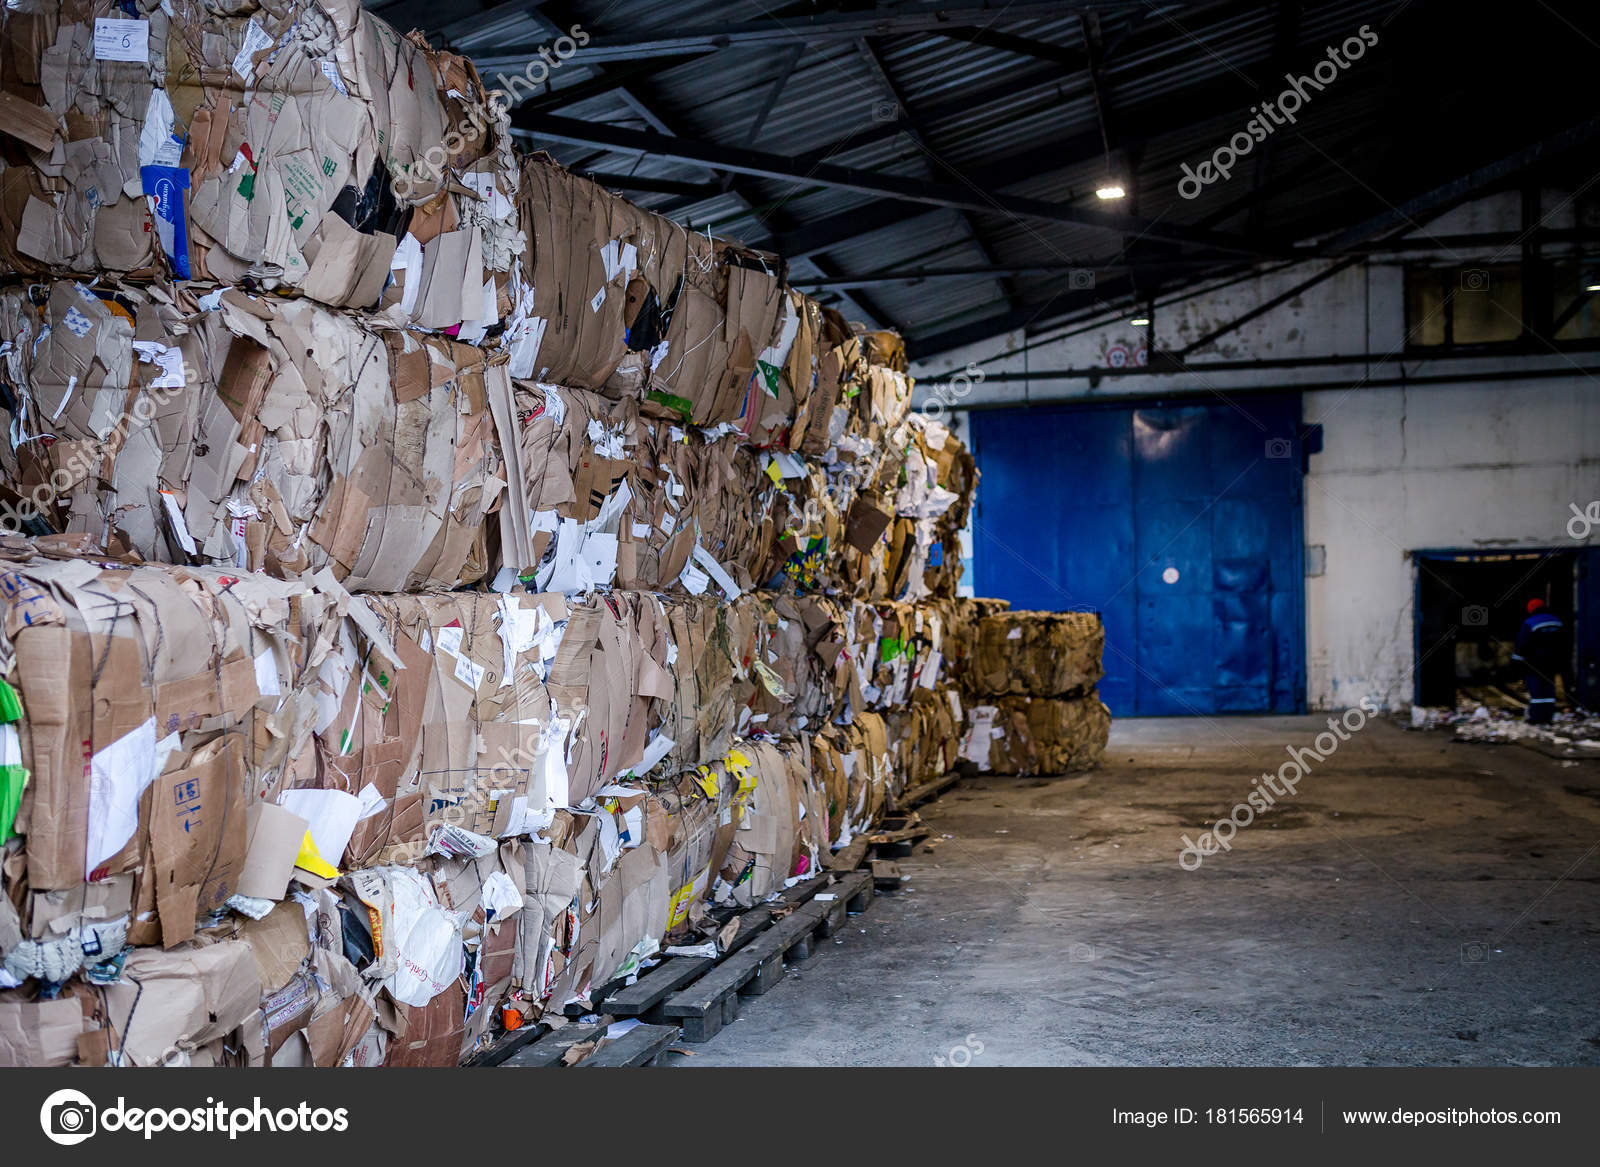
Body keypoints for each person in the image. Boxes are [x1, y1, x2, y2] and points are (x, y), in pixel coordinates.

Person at [1512, 598, 1565, 725]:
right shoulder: (1557, 621)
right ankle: (1548, 717)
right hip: (1552, 662)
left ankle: (1537, 718)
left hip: (1535, 662)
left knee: (1536, 691)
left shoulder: (1530, 622)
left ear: (1531, 609)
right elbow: (1564, 642)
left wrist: (1516, 661)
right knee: (1548, 689)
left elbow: (1522, 643)